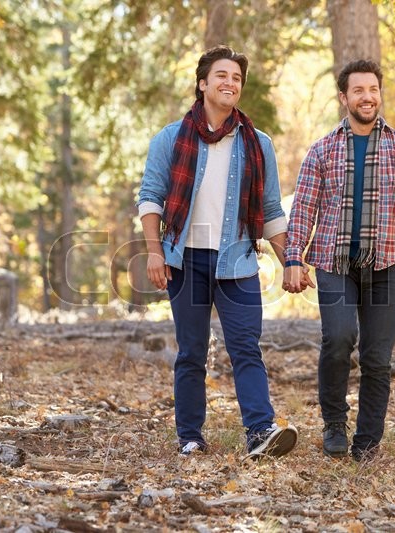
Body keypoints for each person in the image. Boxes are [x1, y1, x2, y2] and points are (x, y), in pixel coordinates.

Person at [137, 45, 297, 459]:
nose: (230, 83)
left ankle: (260, 431)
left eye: (237, 78)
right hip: (185, 259)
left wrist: (291, 260)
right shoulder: (171, 139)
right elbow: (151, 198)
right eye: (222, 76)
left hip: (238, 259)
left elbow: (272, 210)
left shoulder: (258, 143)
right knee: (191, 350)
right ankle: (190, 435)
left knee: (246, 346)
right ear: (203, 83)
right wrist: (155, 252)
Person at [284, 59, 395, 461]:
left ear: (379, 94)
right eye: (359, 91)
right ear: (343, 97)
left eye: (373, 90)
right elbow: (303, 210)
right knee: (338, 340)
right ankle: (334, 423)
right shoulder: (322, 149)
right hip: (334, 264)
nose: (367, 97)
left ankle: (367, 441)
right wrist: (293, 257)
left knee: (377, 358)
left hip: (386, 267)